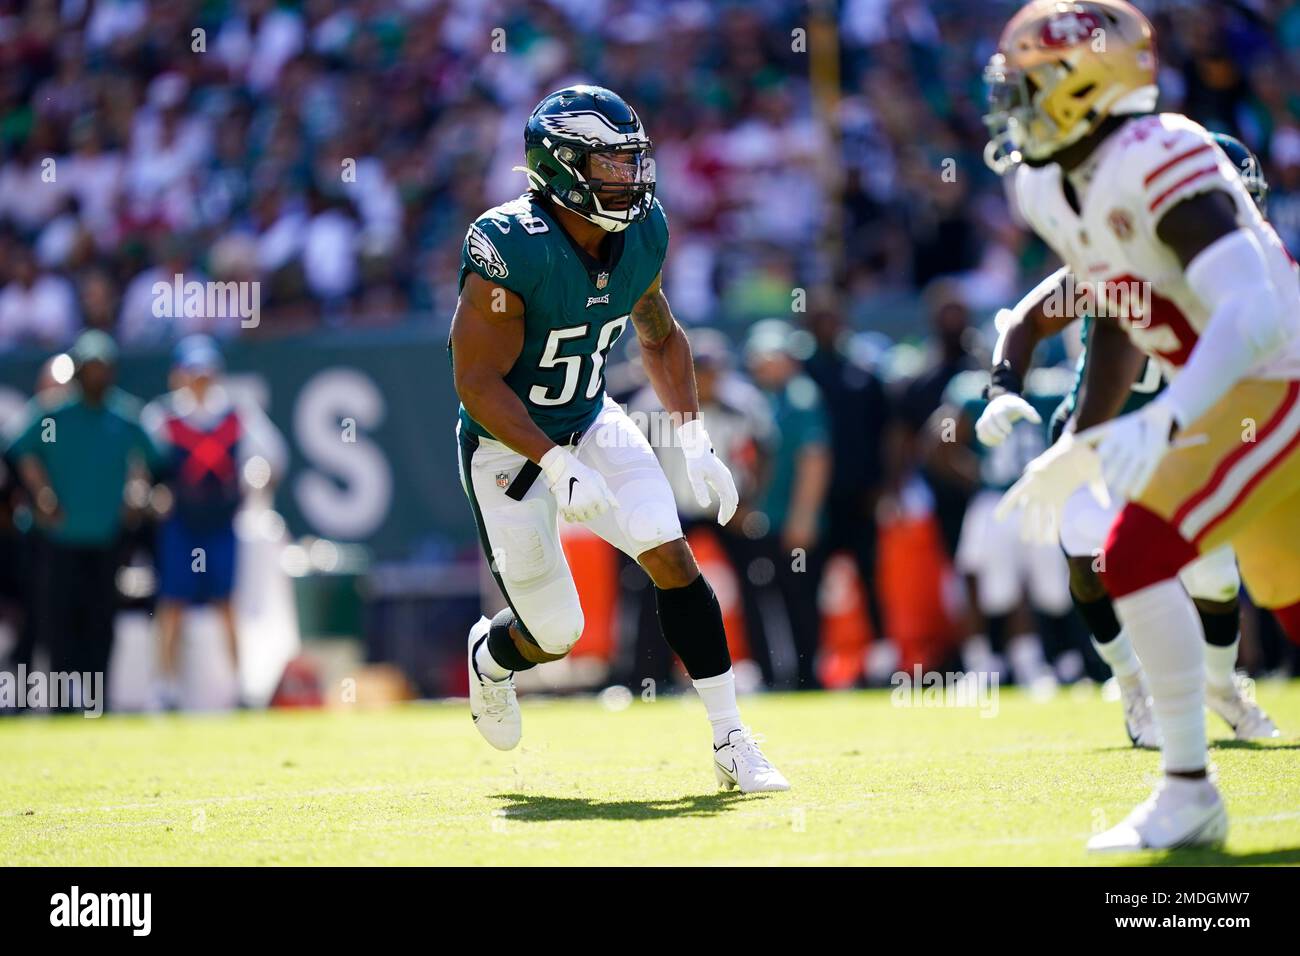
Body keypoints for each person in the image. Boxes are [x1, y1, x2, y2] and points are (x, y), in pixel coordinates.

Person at [984, 0, 1300, 850]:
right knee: (1288, 591)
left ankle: (1189, 792)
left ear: (1084, 85)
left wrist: (1166, 424)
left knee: (1135, 554)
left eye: (1027, 84)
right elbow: (1120, 312)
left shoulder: (1163, 154)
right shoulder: (1048, 183)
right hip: (1239, 389)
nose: (1010, 103)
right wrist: (1083, 441)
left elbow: (1255, 315)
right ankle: (1190, 782)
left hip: (1279, 378)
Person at [448, 86, 788, 792]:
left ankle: (731, 738)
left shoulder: (643, 231)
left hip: (590, 419)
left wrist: (693, 435)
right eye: (609, 166)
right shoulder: (510, 244)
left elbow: (658, 332)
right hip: (507, 448)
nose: (629, 180)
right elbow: (477, 382)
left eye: (633, 163)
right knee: (555, 632)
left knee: (668, 548)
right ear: (563, 168)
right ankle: (490, 657)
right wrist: (551, 461)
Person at [979, 132, 1279, 745]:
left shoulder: (1253, 284)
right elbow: (1030, 320)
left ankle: (1221, 687)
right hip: (1101, 440)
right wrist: (1002, 386)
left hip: (1185, 442)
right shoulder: (1114, 262)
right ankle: (1134, 689)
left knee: (1217, 578)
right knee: (1089, 563)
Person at [7, 330, 167, 707]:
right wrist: (41, 492)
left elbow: (158, 461)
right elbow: (18, 451)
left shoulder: (123, 415)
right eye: (90, 368)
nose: (97, 375)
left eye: (102, 368)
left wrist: (137, 490)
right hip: (59, 539)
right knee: (57, 625)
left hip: (106, 537)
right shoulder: (54, 414)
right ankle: (63, 705)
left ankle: (97, 702)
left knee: (100, 625)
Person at [142, 334, 287, 709]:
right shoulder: (162, 417)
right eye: (194, 373)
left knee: (226, 602)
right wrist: (151, 493)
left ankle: (240, 687)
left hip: (222, 524)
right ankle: (166, 689)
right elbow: (141, 467)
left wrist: (257, 475)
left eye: (207, 373)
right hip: (180, 525)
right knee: (172, 603)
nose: (201, 381)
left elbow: (272, 457)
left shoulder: (238, 414)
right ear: (179, 376)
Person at [926, 367, 1073, 693]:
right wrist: (976, 475)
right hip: (995, 500)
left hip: (1036, 497)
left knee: (1048, 590)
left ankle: (1043, 662)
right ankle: (984, 665)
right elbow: (940, 438)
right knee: (982, 583)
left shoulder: (1055, 389)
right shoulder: (970, 392)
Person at [746, 319, 832, 690]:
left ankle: (805, 676)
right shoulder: (771, 396)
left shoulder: (799, 396)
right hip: (771, 518)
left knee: (799, 600)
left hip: (789, 520)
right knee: (777, 600)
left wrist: (804, 517)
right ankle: (785, 674)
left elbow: (814, 457)